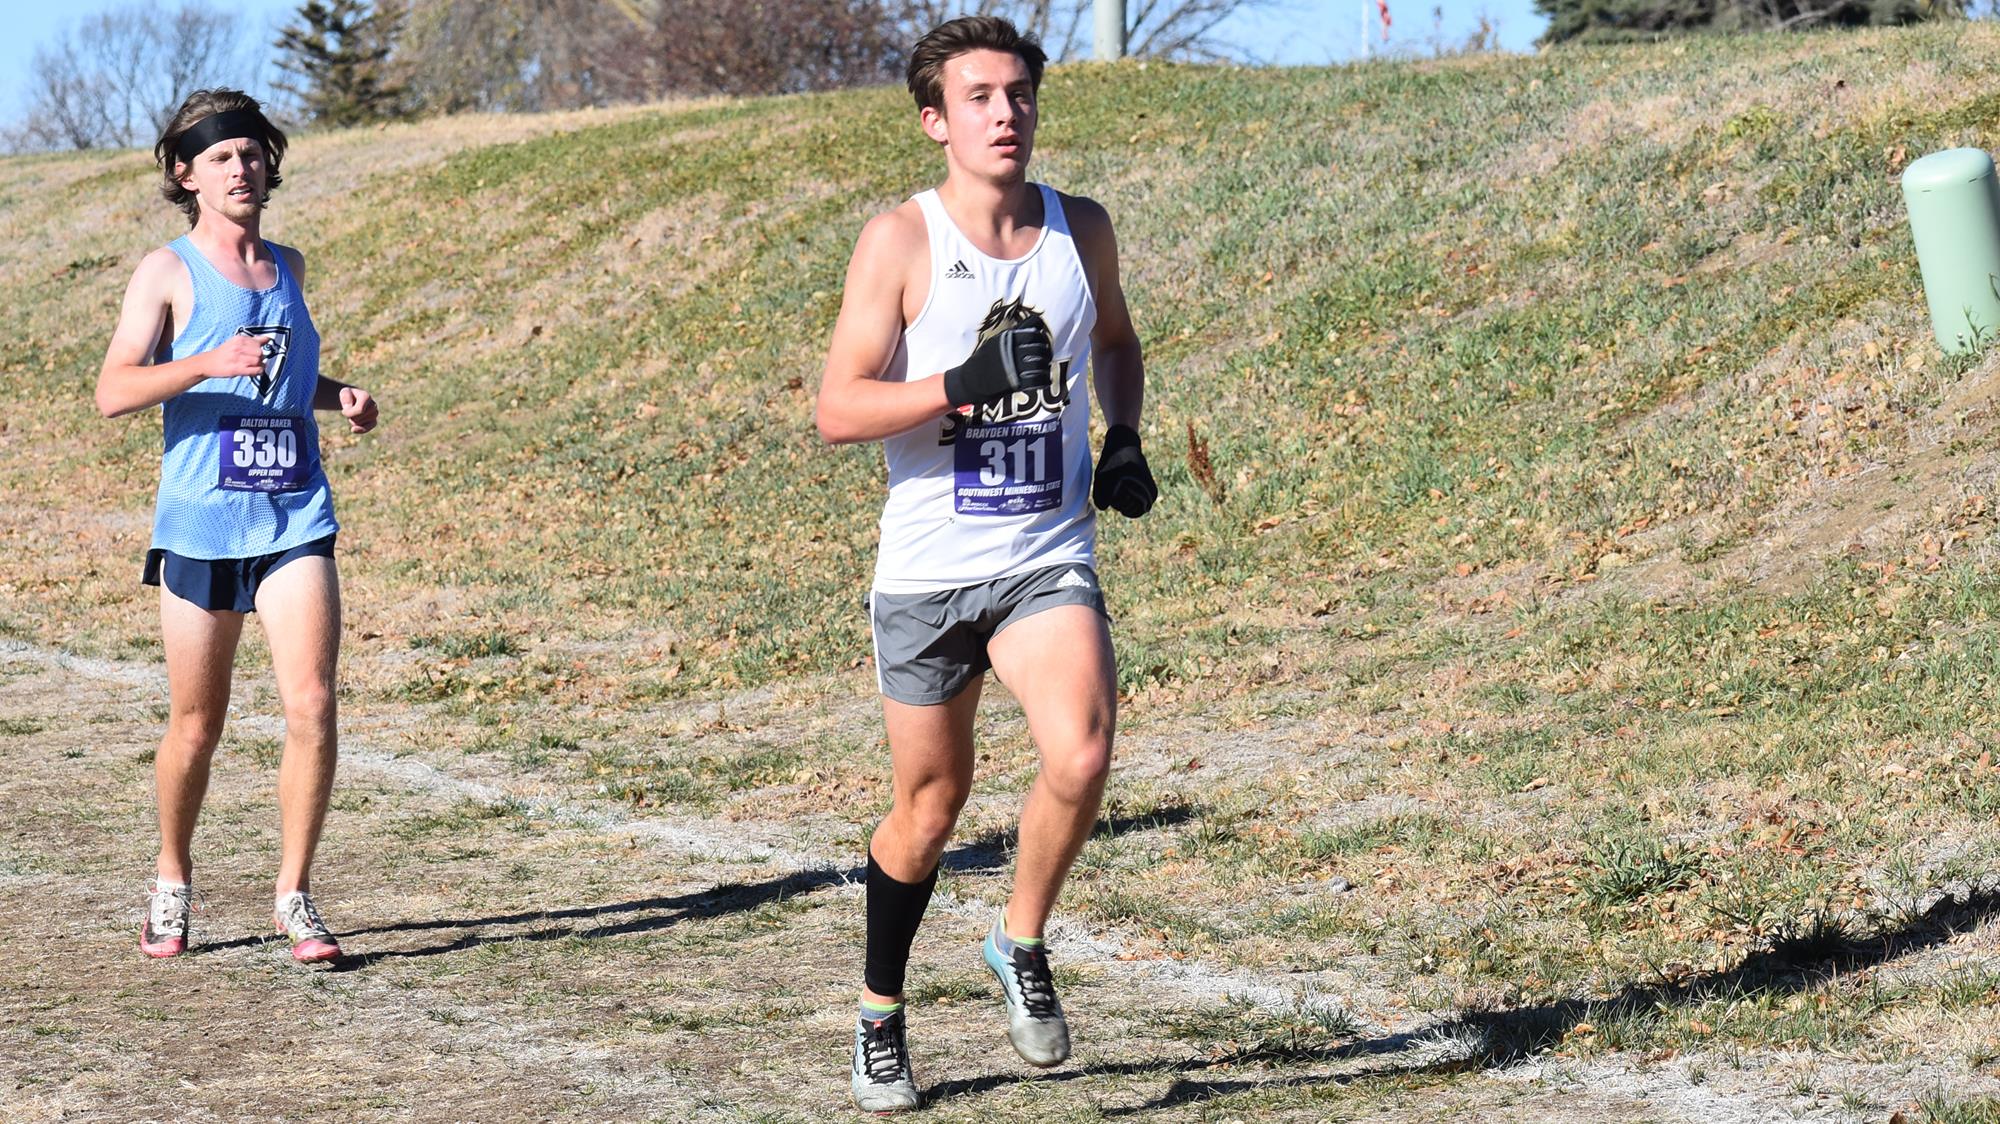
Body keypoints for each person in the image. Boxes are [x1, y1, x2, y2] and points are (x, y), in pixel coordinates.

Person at [814, 15, 1159, 1112]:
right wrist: (958, 382)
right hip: (924, 573)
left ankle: (1019, 938)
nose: (1004, 113)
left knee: (1083, 747)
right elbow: (836, 409)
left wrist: (1124, 436)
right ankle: (879, 1011)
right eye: (978, 97)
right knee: (929, 806)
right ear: (934, 121)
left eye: (1018, 94)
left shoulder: (1078, 229)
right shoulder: (900, 241)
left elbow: (1111, 338)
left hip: (1041, 554)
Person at [94, 88, 379, 964]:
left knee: (314, 704)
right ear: (186, 173)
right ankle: (172, 879)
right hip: (201, 525)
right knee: (196, 725)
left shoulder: (289, 264)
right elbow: (113, 393)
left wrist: (341, 396)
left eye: (252, 153)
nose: (241, 168)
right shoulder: (167, 271)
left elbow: (285, 379)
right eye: (221, 157)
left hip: (293, 512)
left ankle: (295, 893)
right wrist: (205, 360)